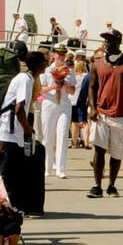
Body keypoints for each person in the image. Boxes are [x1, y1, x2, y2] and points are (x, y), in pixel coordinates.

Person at [87, 29, 123, 198]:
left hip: (122, 114)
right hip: (101, 114)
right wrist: (93, 108)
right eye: (105, 40)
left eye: (110, 40)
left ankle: (112, 185)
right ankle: (97, 186)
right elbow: (92, 87)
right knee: (99, 150)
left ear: (119, 42)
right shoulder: (97, 64)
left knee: (117, 153)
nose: (106, 43)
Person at [0, 51, 48, 216]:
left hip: (11, 133)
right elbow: (19, 108)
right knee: (6, 174)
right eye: (45, 62)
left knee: (11, 173)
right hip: (7, 132)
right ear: (39, 65)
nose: (46, 64)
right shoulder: (25, 80)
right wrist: (27, 128)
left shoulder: (26, 78)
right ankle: (4, 208)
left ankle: (8, 207)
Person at [40, 49, 75, 179]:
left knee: (63, 135)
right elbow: (41, 89)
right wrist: (53, 87)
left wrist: (66, 85)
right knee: (48, 136)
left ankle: (61, 168)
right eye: (58, 54)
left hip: (64, 104)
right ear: (53, 55)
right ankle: (47, 166)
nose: (61, 57)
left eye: (63, 55)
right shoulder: (47, 70)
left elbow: (72, 91)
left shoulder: (69, 71)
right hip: (50, 102)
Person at [71, 55, 91, 148]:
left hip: (72, 100)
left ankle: (74, 143)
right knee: (84, 122)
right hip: (83, 100)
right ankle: (86, 141)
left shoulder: (73, 76)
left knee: (74, 122)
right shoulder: (87, 77)